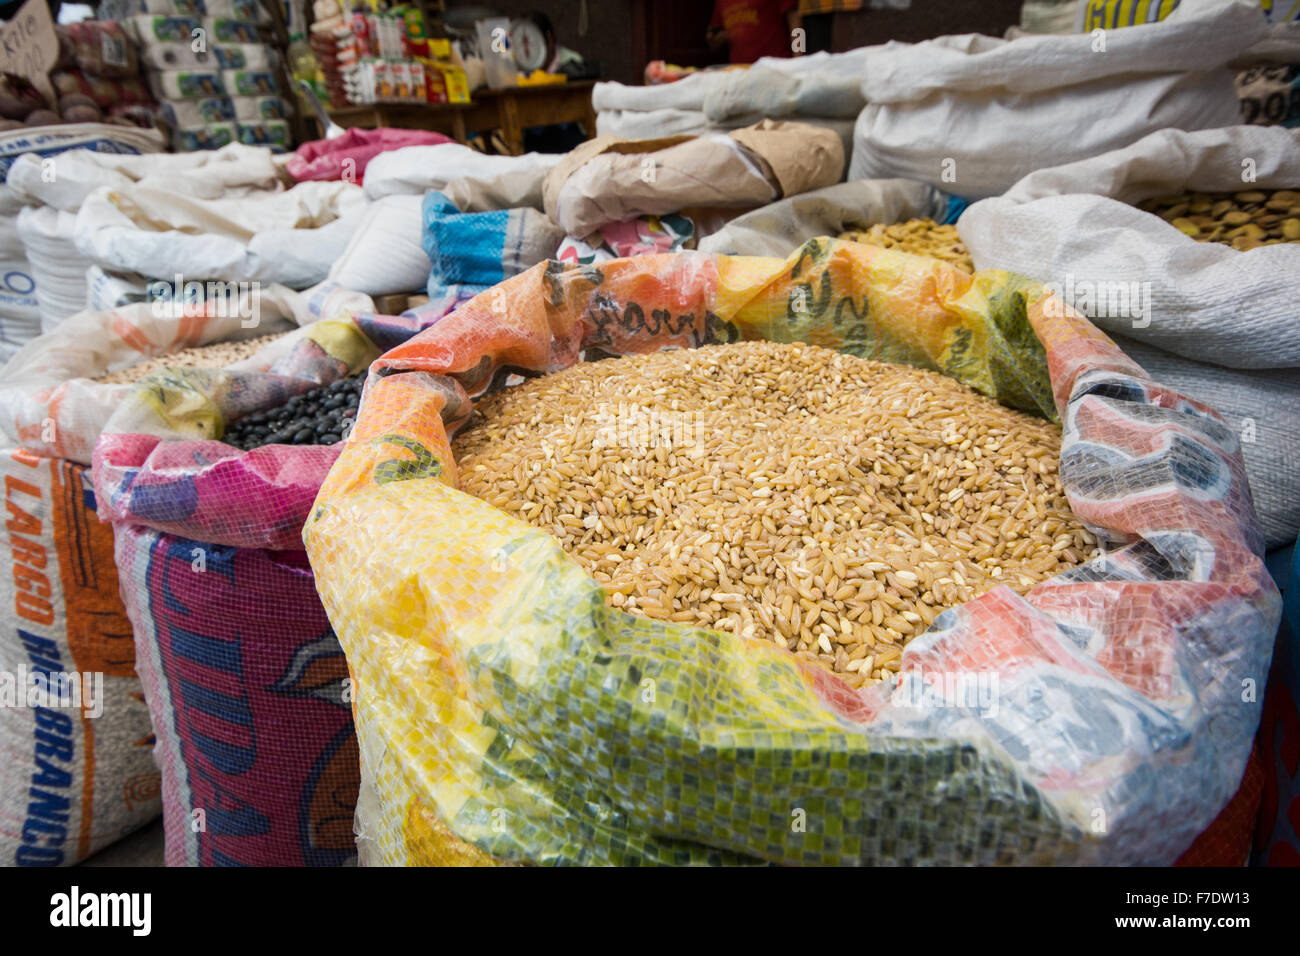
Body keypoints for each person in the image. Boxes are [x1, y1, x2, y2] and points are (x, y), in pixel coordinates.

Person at [707, 0, 801, 65]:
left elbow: (796, 23)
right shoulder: (720, 2)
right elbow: (713, 37)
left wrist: (799, 60)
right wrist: (717, 39)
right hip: (740, 77)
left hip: (776, 70)